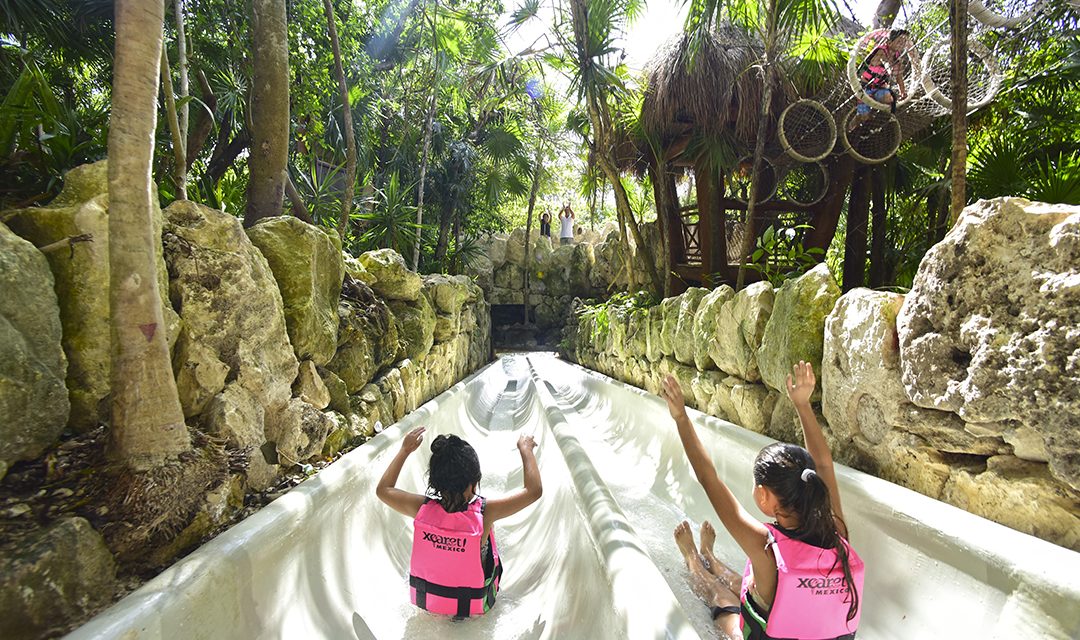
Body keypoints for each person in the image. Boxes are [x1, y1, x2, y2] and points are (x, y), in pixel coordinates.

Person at [662, 362, 864, 640]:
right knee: (743, 582)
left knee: (723, 598)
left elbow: (709, 479)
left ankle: (695, 559)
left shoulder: (765, 546)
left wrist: (681, 418)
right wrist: (803, 405)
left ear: (764, 496)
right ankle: (711, 556)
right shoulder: (836, 530)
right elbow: (825, 466)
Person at [376, 427, 542, 618]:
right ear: (474, 482)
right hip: (472, 606)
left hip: (429, 601)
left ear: (435, 481)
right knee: (487, 532)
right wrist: (525, 449)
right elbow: (534, 490)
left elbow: (383, 489)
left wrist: (404, 451)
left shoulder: (420, 507)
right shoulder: (486, 513)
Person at [848, 29, 911, 133]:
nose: (902, 44)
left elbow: (899, 77)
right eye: (899, 41)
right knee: (863, 117)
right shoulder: (881, 51)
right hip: (865, 87)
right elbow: (876, 61)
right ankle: (855, 122)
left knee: (888, 99)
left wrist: (903, 92)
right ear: (889, 42)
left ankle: (873, 109)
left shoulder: (897, 59)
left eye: (904, 42)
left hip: (880, 88)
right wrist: (888, 64)